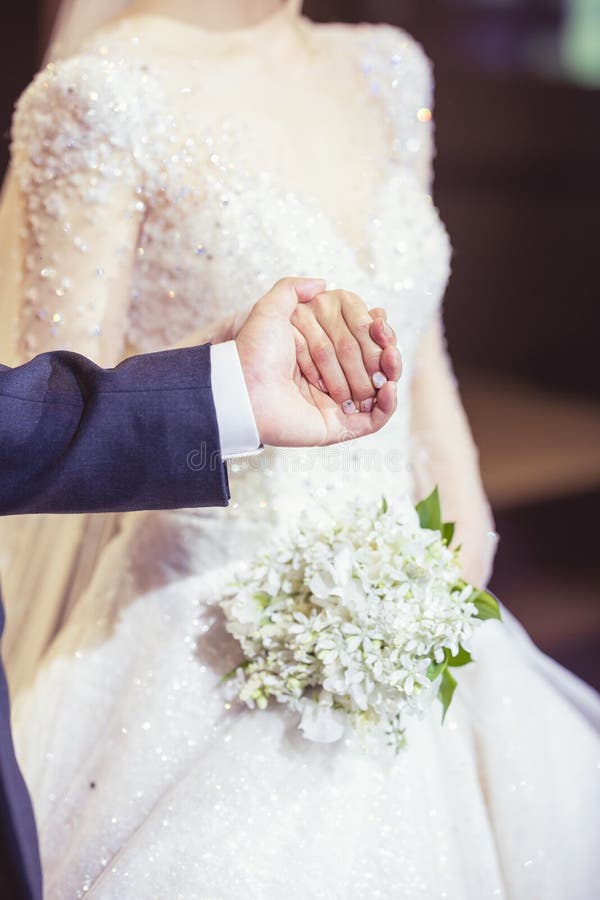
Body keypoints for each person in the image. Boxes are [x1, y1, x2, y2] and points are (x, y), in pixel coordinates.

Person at [3, 1, 599, 897]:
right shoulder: (101, 95)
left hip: (405, 599)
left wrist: (460, 539)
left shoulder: (387, 69)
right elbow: (57, 411)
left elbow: (417, 339)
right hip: (206, 617)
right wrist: (225, 369)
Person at [0, 275, 401, 899]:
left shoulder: (407, 168)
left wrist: (429, 584)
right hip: (184, 587)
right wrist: (224, 390)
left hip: (387, 574)